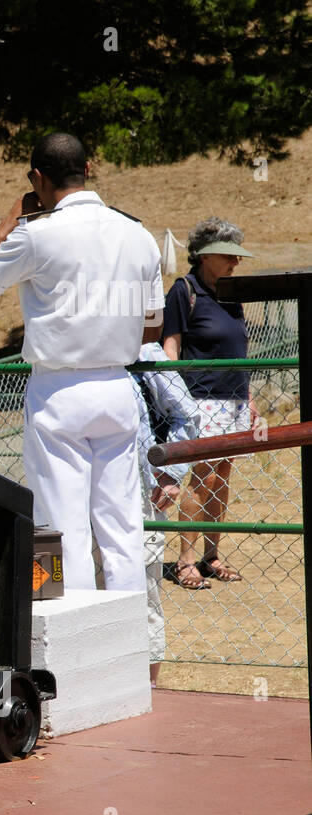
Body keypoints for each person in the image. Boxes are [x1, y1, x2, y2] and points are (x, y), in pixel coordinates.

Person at [0, 132, 164, 593]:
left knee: (63, 528)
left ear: (38, 178)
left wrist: (13, 218)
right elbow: (152, 328)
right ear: (88, 169)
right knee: (123, 528)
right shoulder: (139, 236)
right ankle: (129, 639)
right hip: (117, 386)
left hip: (59, 392)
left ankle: (76, 648)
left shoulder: (36, 235)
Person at [161, 218, 255, 590]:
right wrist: (174, 400)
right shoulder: (184, 291)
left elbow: (239, 348)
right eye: (228, 256)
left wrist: (248, 398)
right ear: (204, 255)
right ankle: (186, 561)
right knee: (201, 480)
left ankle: (211, 554)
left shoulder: (231, 295)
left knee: (221, 478)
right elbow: (171, 347)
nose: (236, 263)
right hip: (200, 400)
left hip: (233, 401)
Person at [132, 341, 198, 685]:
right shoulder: (72, 348)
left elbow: (186, 413)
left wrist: (171, 474)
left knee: (143, 588)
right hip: (84, 496)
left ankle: (149, 685)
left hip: (140, 496)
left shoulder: (145, 353)